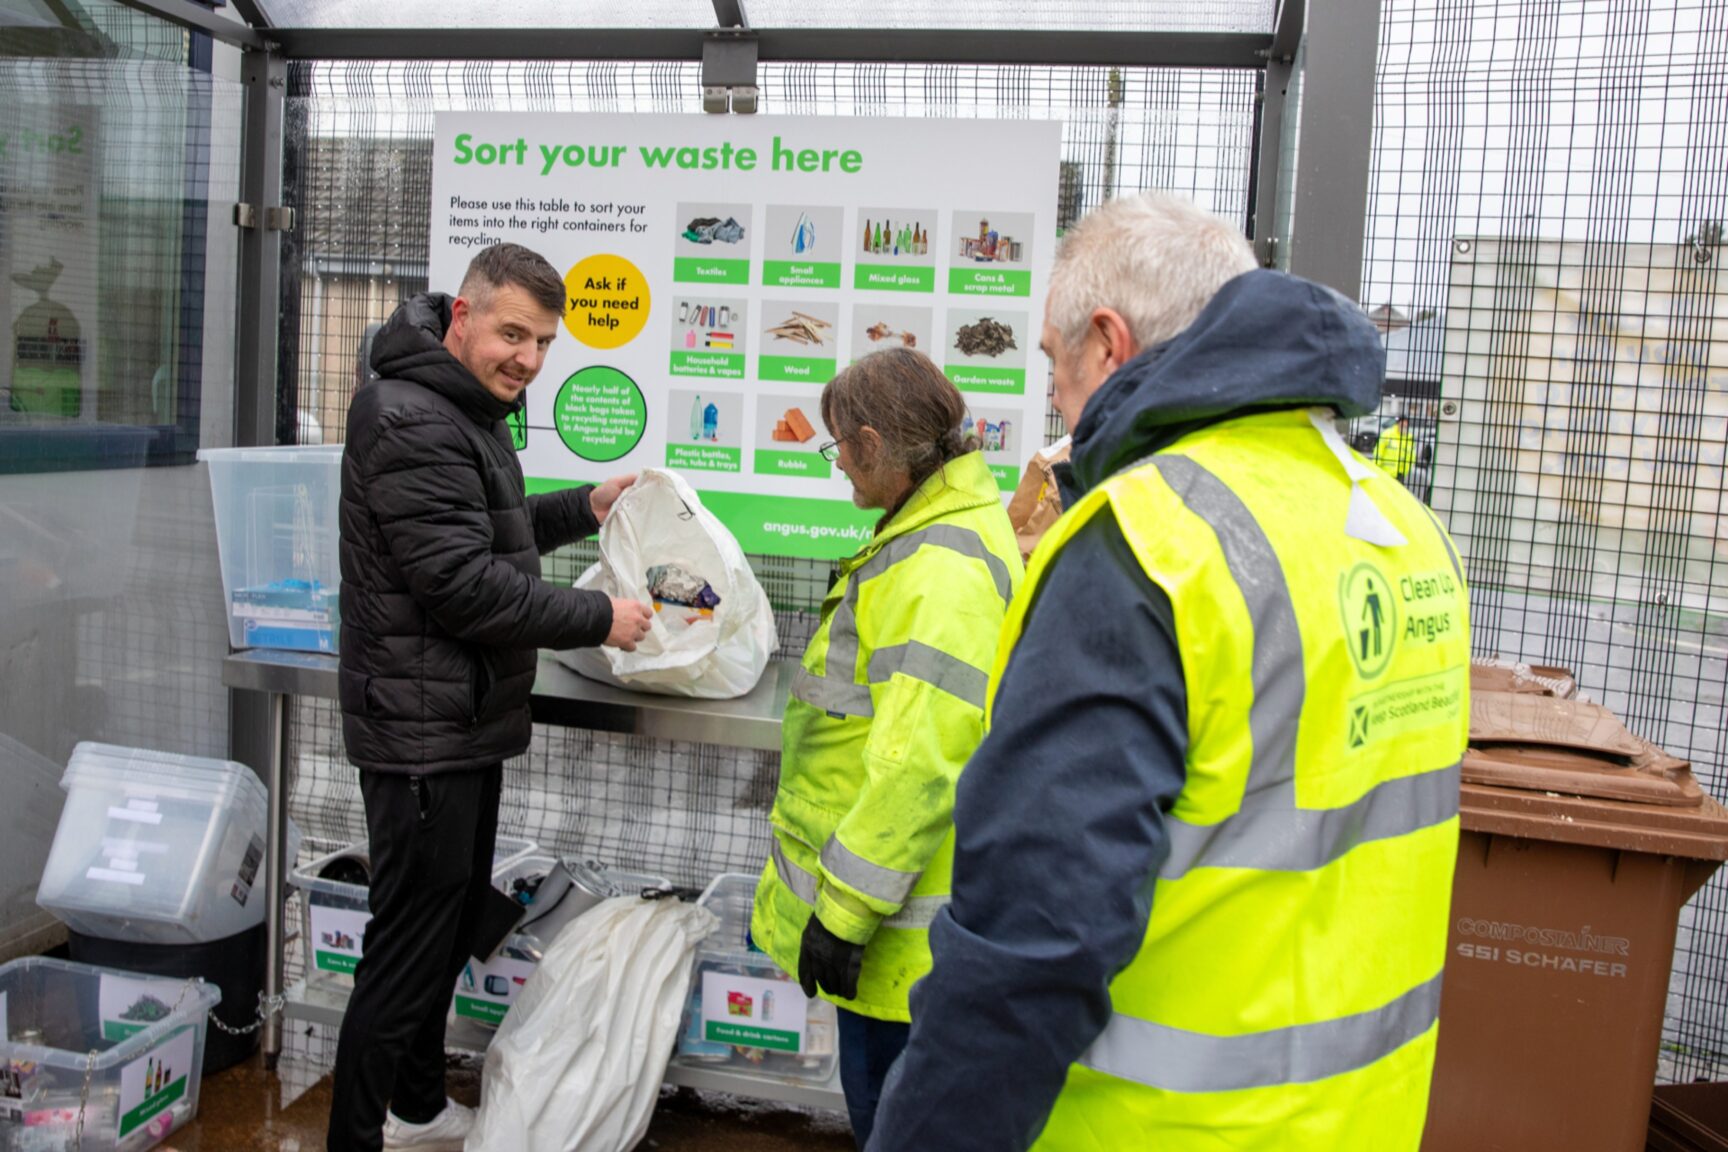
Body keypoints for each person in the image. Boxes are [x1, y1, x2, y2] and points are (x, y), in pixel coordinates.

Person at [869, 193, 1472, 1150]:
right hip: (1360, 1119)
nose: (1058, 403)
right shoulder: (1404, 528)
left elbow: (1033, 944)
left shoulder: (1145, 546)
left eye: (1054, 369)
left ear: (1106, 346)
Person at [330, 242, 654, 1152]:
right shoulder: (407, 416)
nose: (530, 358)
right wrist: (602, 617)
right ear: (461, 316)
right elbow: (464, 584)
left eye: (545, 342)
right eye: (514, 332)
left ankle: (419, 1108)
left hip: (459, 724)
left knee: (439, 938)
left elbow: (491, 532)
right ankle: (357, 1137)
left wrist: (584, 504)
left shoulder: (463, 409)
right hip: (423, 735)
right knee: (402, 959)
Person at [751, 347, 1023, 1148]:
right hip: (898, 925)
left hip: (896, 939)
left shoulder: (937, 568)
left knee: (892, 1120)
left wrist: (841, 914)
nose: (836, 464)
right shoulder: (939, 533)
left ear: (873, 444)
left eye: (838, 446)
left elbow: (918, 763)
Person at [1374, 413, 1417, 481]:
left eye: (1406, 422)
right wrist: (1376, 467)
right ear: (1398, 423)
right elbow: (1378, 451)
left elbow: (1412, 455)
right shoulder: (1387, 434)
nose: (1404, 424)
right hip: (1386, 473)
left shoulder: (1409, 437)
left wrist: (1407, 469)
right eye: (1402, 422)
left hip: (1400, 474)